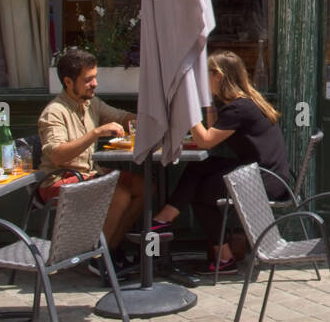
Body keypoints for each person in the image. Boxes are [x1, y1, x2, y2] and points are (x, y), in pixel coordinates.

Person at [151, 50, 291, 274]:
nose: (201, 81)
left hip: (265, 180)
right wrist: (207, 105)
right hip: (264, 173)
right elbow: (211, 135)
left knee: (201, 192)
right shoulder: (244, 103)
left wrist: (187, 112)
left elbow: (206, 141)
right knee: (200, 166)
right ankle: (163, 220)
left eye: (204, 75)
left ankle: (222, 257)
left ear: (217, 75)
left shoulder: (239, 108)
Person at [37, 48, 145, 272]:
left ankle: (110, 250)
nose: (94, 84)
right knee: (120, 194)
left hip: (88, 173)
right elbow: (56, 155)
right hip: (58, 180)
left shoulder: (90, 103)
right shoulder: (54, 112)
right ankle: (97, 258)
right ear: (68, 81)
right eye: (88, 80)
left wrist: (150, 119)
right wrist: (95, 133)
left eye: (95, 77)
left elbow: (121, 117)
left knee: (144, 187)